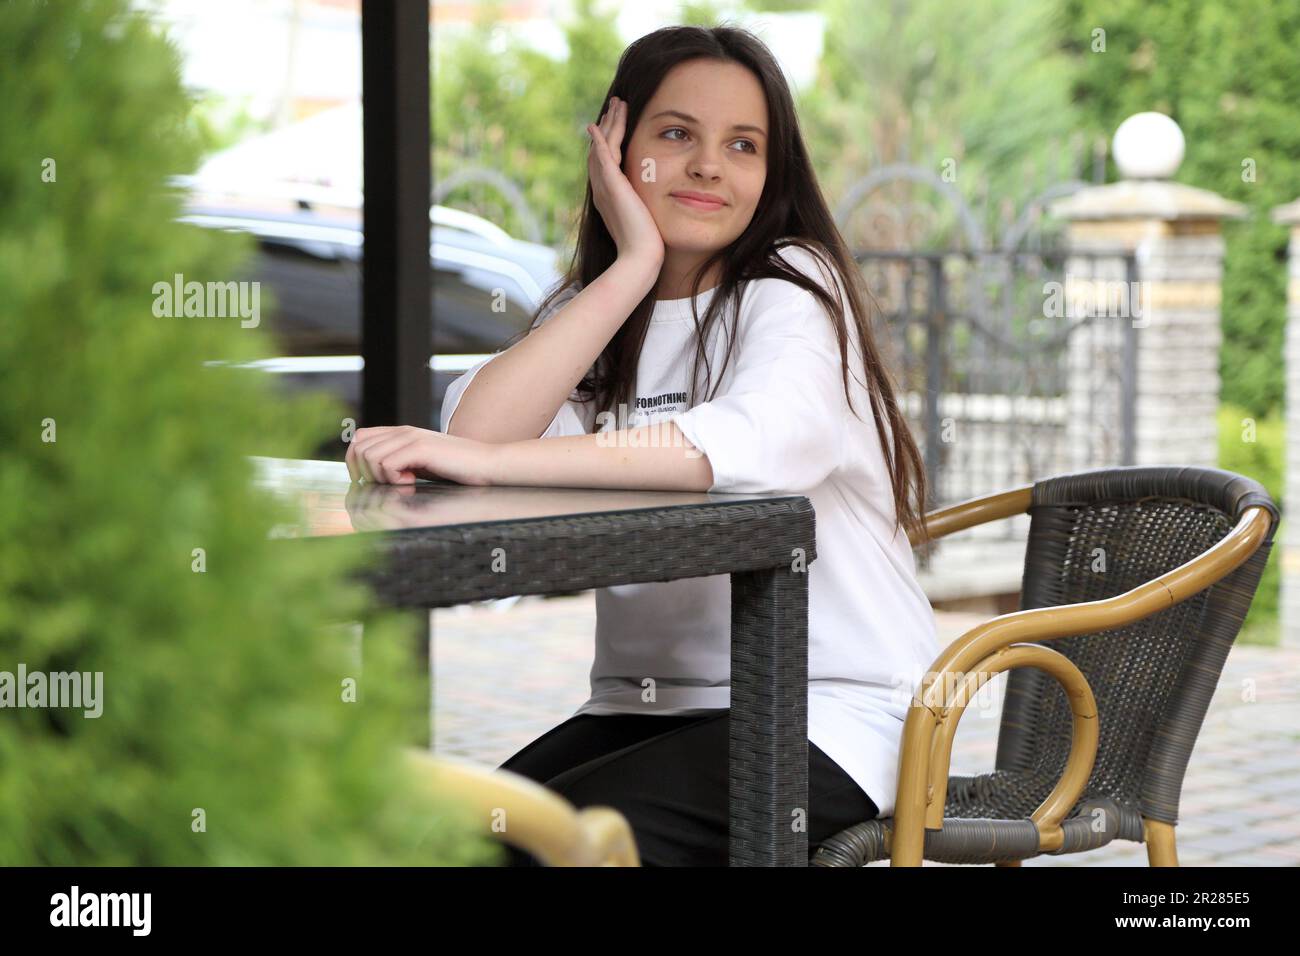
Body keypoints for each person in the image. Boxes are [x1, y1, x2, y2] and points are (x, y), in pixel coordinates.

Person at [345, 24, 939, 867]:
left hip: (831, 711)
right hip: (643, 707)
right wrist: (631, 268)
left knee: (538, 852)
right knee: (432, 845)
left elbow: (753, 445)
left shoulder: (797, 291)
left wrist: (490, 463)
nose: (707, 166)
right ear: (615, 147)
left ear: (772, 174)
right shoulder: (596, 315)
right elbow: (473, 434)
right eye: (675, 135)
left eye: (743, 145)